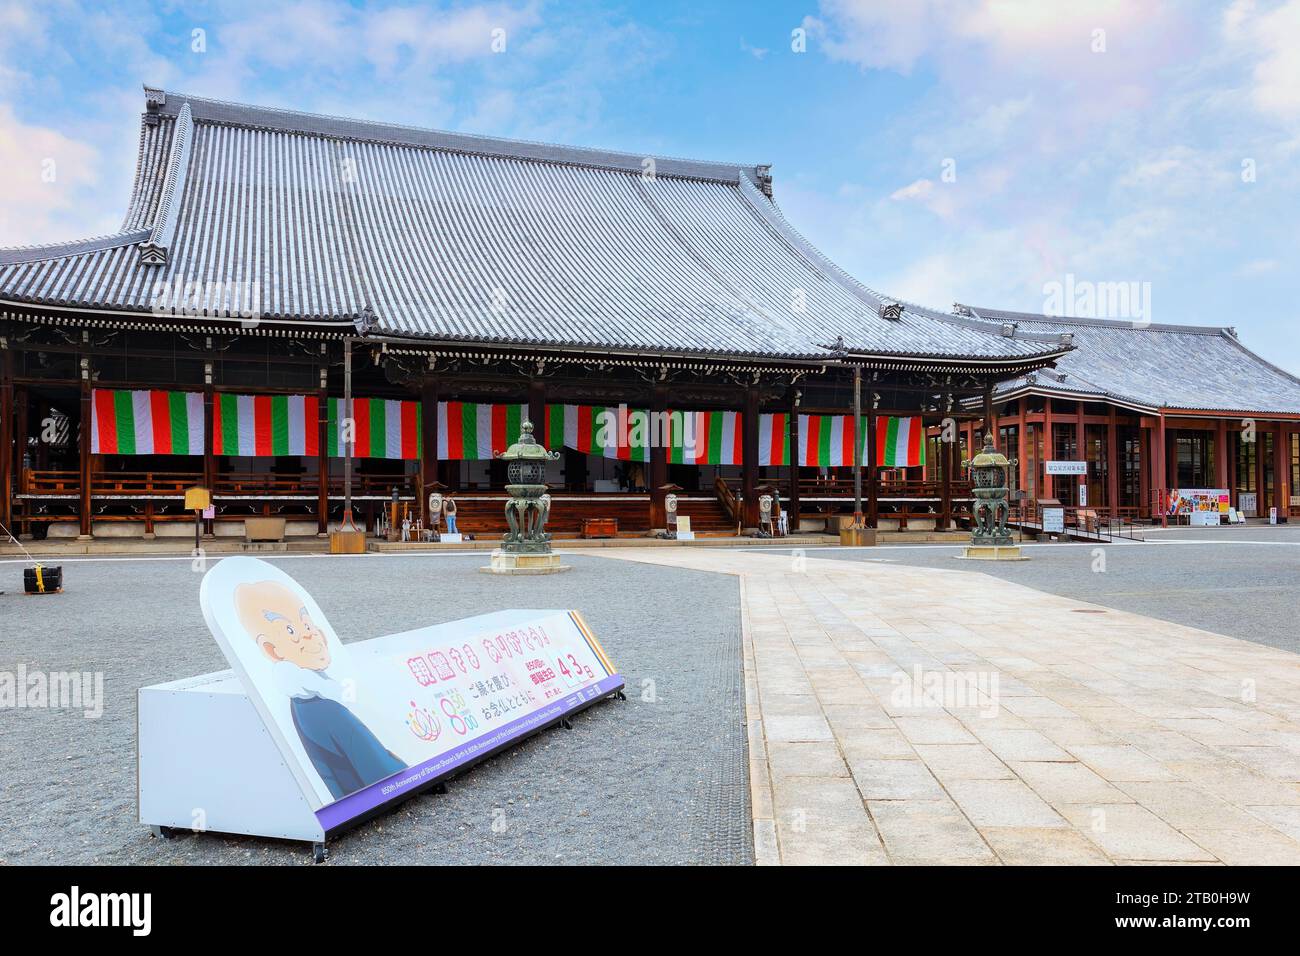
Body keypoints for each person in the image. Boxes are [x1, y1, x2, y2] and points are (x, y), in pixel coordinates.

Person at [235, 580, 406, 800]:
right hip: (375, 794)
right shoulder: (325, 707)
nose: (311, 635)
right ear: (272, 650)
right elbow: (379, 766)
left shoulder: (301, 702)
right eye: (291, 630)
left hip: (351, 800)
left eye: (307, 625)